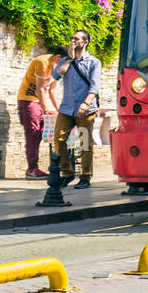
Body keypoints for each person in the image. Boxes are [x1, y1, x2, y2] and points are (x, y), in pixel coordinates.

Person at [51, 29, 102, 188]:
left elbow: (95, 87)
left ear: (85, 42)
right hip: (66, 108)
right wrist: (70, 59)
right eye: (72, 38)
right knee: (59, 140)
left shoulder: (94, 62)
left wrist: (86, 103)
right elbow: (55, 75)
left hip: (85, 109)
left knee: (85, 143)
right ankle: (67, 173)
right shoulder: (65, 61)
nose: (73, 41)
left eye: (77, 39)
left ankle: (85, 177)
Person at [16, 47, 64, 178]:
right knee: (32, 133)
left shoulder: (58, 68)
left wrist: (59, 109)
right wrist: (46, 109)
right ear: (59, 57)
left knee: (39, 134)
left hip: (39, 101)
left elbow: (52, 89)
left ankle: (34, 167)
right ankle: (32, 169)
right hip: (28, 99)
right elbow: (41, 89)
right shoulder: (42, 63)